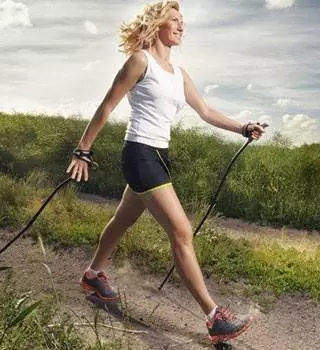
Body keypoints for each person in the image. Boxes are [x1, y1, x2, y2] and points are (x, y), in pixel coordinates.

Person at [65, 0, 266, 344]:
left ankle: (94, 274)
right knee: (182, 232)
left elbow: (205, 111)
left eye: (182, 21)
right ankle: (215, 316)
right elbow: (107, 105)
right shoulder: (140, 61)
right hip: (140, 153)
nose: (181, 26)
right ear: (157, 24)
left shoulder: (179, 73)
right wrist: (83, 150)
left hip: (159, 156)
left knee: (122, 220)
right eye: (175, 19)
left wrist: (242, 126)